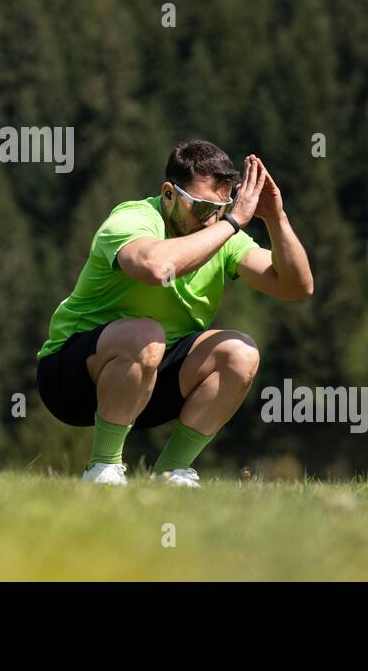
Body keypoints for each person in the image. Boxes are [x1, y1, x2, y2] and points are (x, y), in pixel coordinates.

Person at [35, 139, 314, 487]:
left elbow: (295, 286)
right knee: (145, 334)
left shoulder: (220, 234)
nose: (210, 219)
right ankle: (103, 469)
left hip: (148, 378)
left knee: (240, 352)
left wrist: (276, 218)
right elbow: (155, 267)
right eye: (200, 208)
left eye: (221, 208)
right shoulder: (133, 218)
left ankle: (172, 473)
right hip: (71, 378)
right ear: (169, 193)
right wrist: (232, 223)